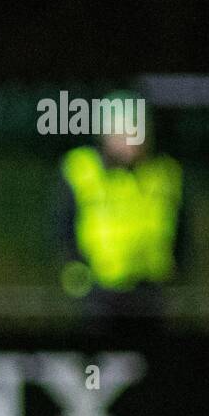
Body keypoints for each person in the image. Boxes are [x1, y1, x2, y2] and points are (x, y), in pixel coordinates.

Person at [55, 91, 187, 335]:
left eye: (137, 131)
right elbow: (63, 226)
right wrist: (76, 271)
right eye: (123, 132)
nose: (132, 141)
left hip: (152, 291)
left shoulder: (165, 173)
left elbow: (181, 229)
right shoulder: (81, 169)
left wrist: (178, 272)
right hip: (101, 293)